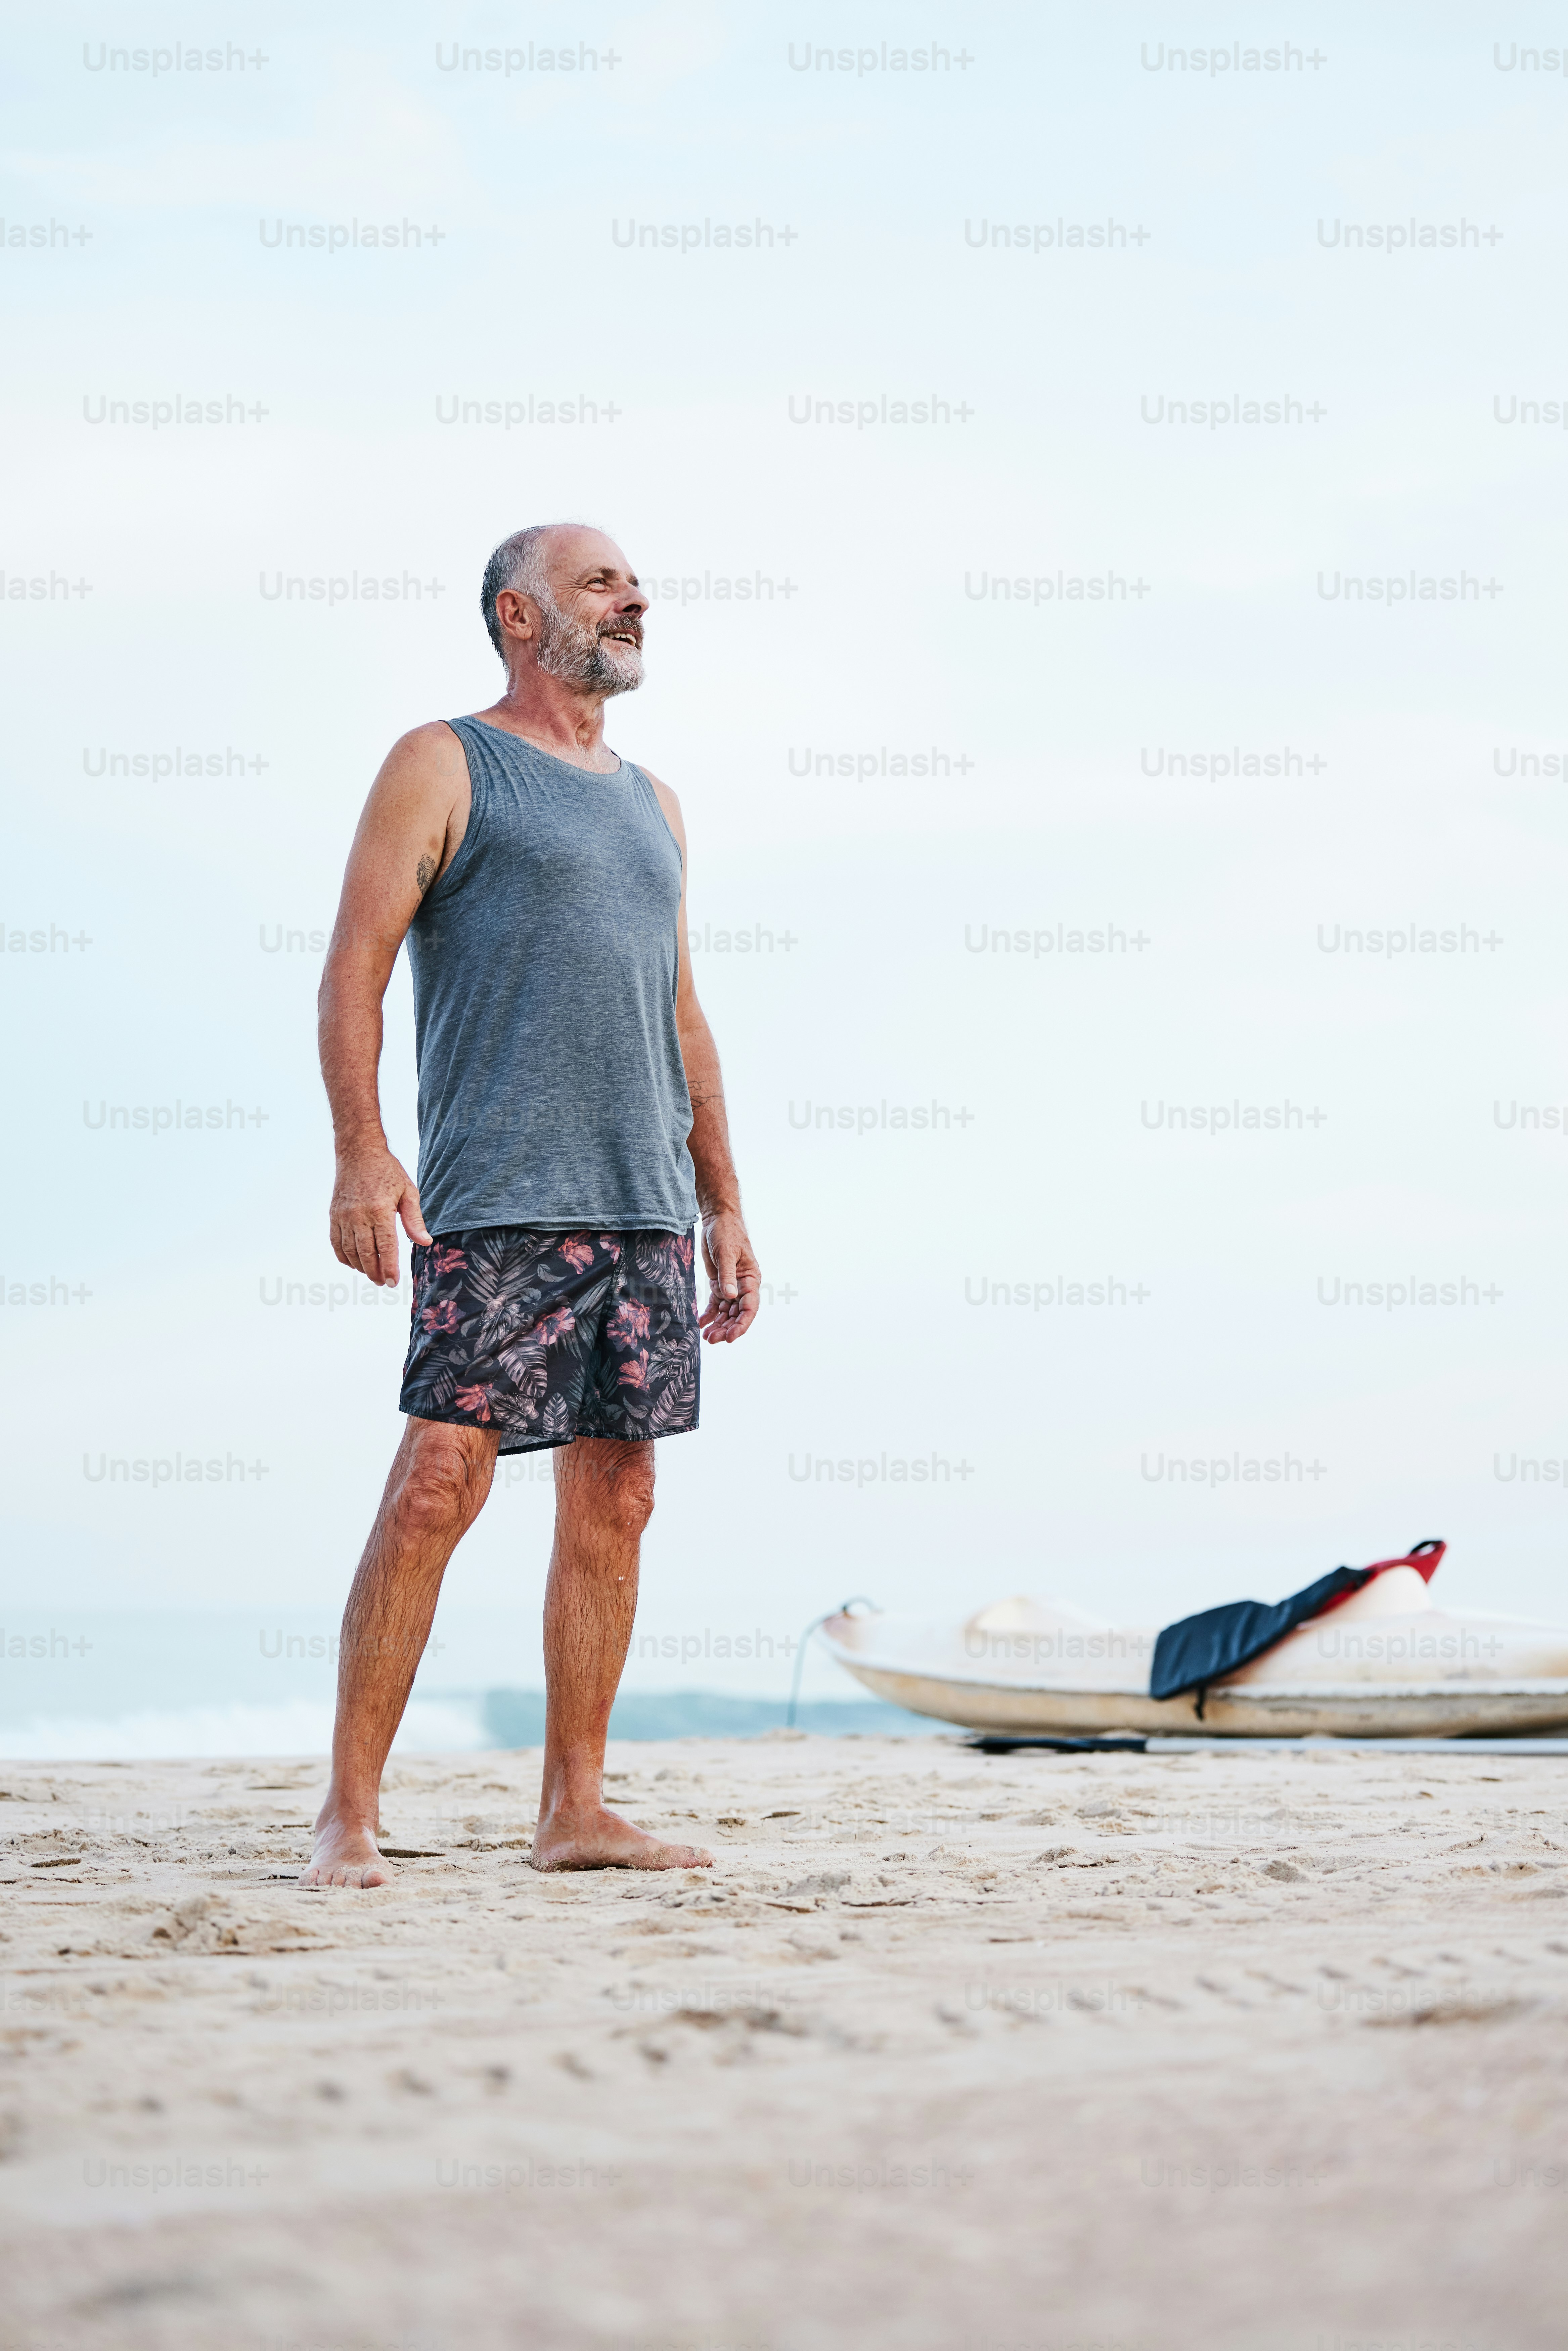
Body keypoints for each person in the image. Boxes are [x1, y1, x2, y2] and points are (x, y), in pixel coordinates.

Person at [300, 523, 760, 1887]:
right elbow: (352, 968)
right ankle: (348, 1811)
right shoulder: (443, 762)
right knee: (438, 1482)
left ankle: (574, 1808)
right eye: (603, 582)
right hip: (498, 1198)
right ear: (518, 614)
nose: (637, 597)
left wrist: (723, 1200)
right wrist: (360, 1149)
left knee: (615, 1496)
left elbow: (681, 1014)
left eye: (635, 581)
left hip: (641, 1207)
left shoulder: (654, 802)